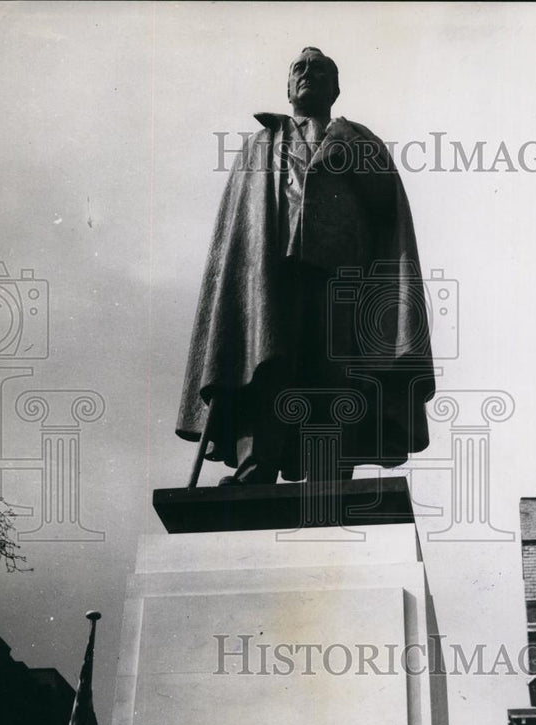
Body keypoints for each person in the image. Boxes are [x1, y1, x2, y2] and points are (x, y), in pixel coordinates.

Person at [176, 47, 435, 485]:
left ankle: (331, 472)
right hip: (274, 275)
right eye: (300, 68)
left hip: (343, 275)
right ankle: (255, 466)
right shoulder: (261, 144)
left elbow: (385, 206)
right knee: (266, 366)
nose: (309, 74)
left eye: (320, 70)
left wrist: (351, 152)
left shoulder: (358, 138)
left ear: (336, 88)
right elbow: (240, 230)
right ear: (289, 86)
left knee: (336, 372)